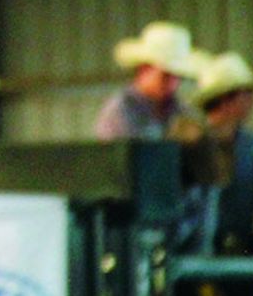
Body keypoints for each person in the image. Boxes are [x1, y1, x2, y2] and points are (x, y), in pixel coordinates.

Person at [94, 21, 219, 254]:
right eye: (165, 75)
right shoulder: (119, 113)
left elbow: (205, 185)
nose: (172, 83)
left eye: (176, 76)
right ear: (144, 69)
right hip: (131, 236)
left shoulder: (185, 115)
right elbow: (119, 176)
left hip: (181, 233)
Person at [195, 52, 253, 256]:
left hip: (240, 247)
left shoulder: (252, 146)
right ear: (226, 98)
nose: (252, 100)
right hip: (200, 250)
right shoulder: (194, 145)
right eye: (247, 93)